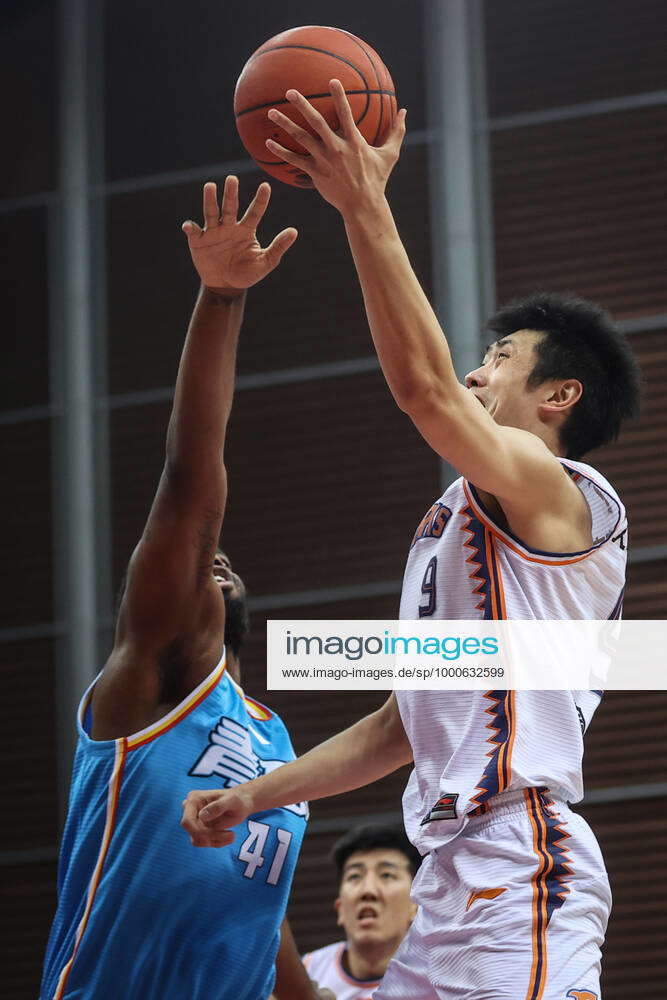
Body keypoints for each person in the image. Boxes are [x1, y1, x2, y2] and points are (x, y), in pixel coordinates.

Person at [181, 84, 641, 1000]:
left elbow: (425, 390)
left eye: (502, 356)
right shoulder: (448, 531)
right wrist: (255, 795)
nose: (478, 368)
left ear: (558, 398)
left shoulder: (566, 495)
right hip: (447, 880)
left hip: (521, 860)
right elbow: (402, 724)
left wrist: (363, 203)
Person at [40, 178, 332, 1000]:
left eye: (224, 558)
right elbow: (190, 478)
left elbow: (254, 912)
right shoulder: (159, 669)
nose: (216, 557)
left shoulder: (271, 734)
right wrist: (221, 299)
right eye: (206, 556)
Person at [303, 824, 420, 999]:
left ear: (416, 906)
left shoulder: (442, 980)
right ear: (340, 908)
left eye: (386, 875)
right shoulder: (305, 972)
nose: (368, 890)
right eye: (355, 876)